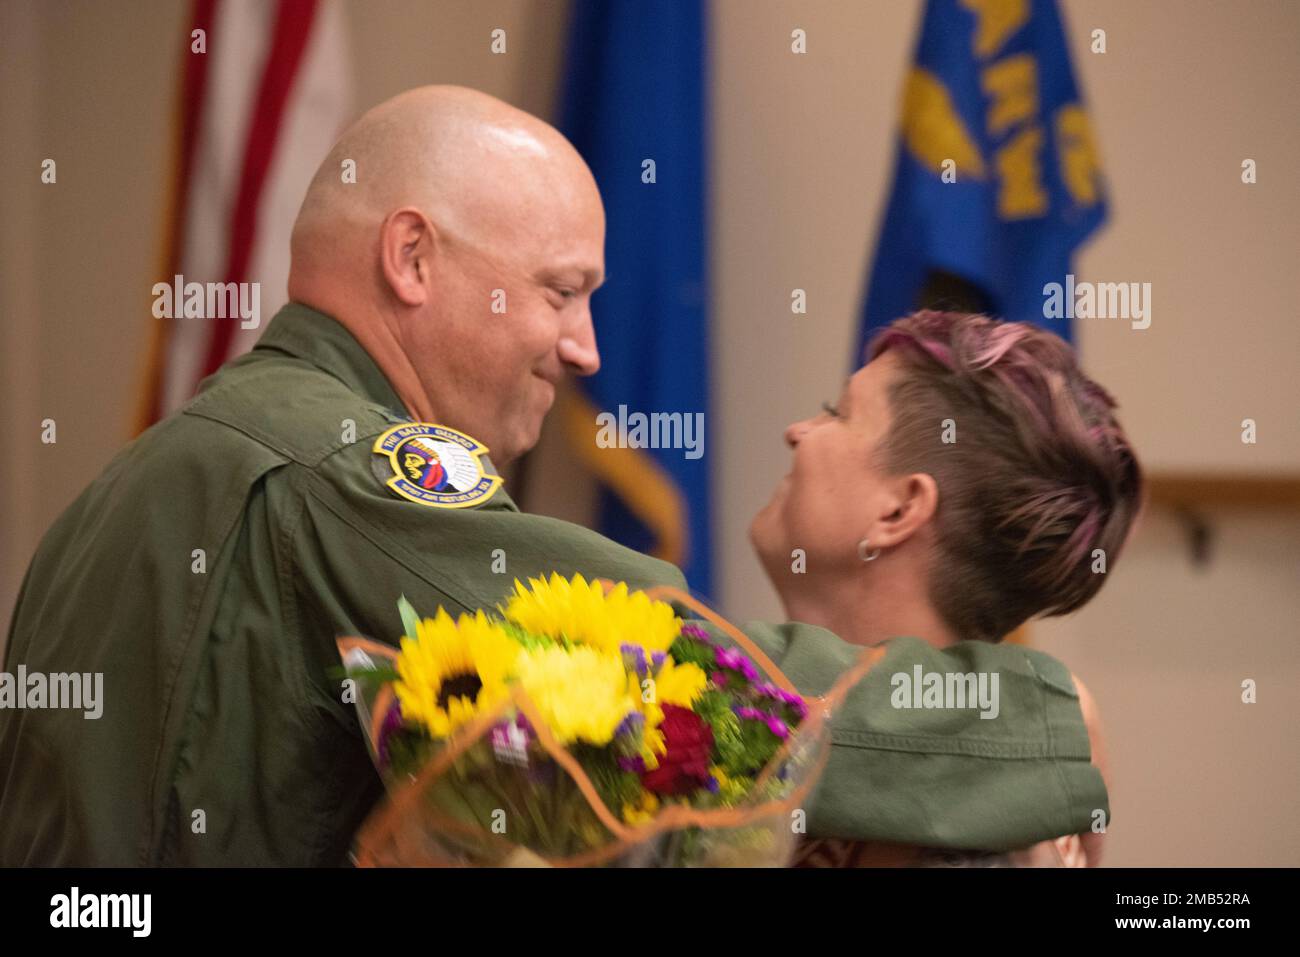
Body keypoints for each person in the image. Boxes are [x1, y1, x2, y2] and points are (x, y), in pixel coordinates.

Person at [0, 87, 1105, 865]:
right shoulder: (347, 469)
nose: (586, 349)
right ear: (414, 260)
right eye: (561, 290)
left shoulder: (134, 481)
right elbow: (679, 691)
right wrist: (1036, 719)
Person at [746, 310, 1139, 865]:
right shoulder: (991, 777)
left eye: (837, 412)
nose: (799, 431)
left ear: (901, 509)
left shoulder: (985, 838)